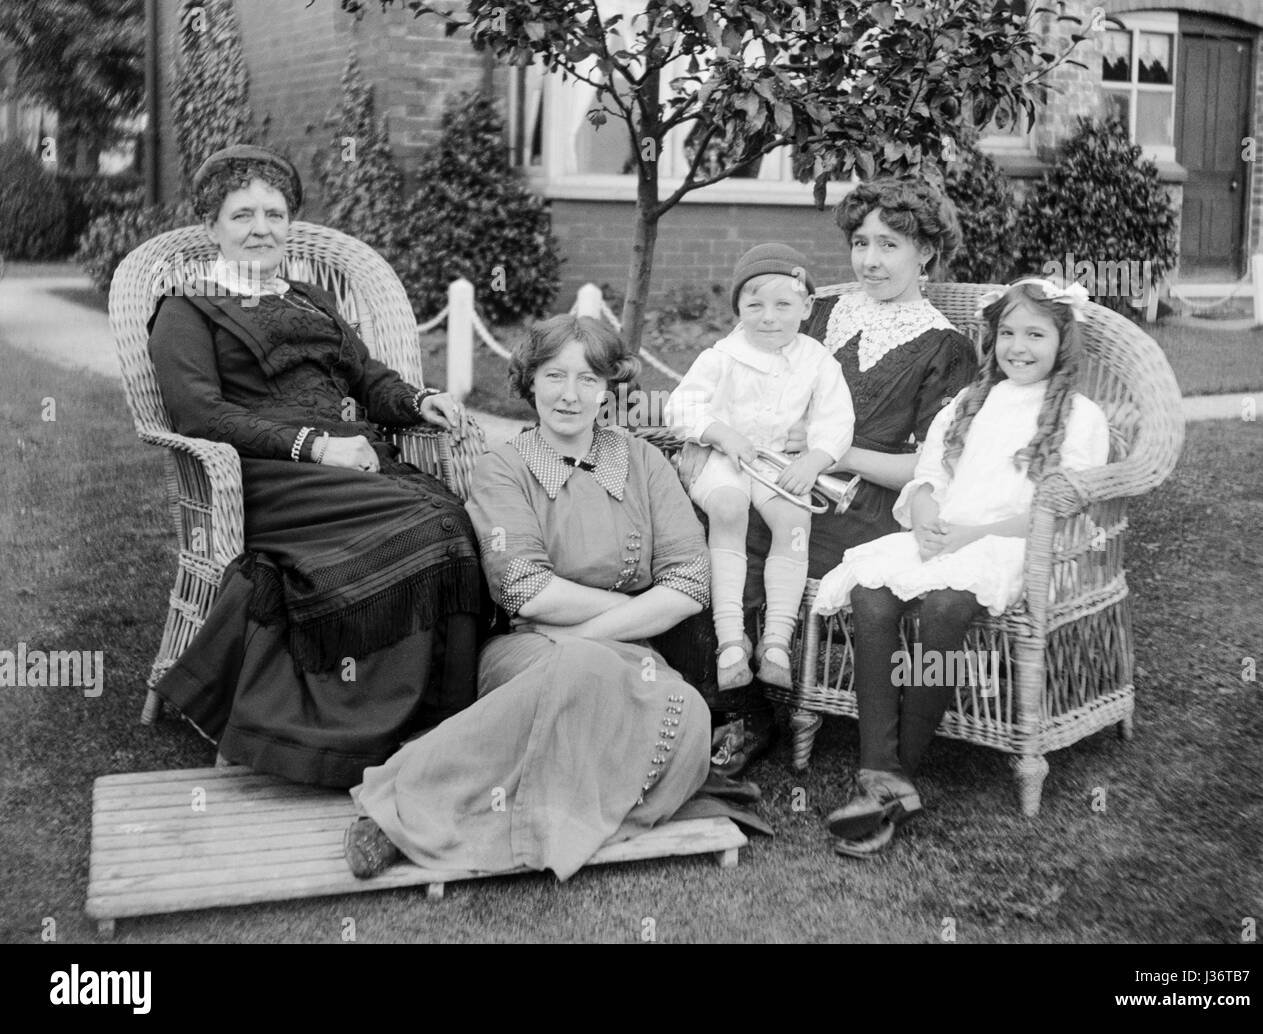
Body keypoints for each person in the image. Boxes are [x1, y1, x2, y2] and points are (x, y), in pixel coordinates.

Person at [147, 144, 485, 788]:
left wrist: (419, 401)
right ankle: (357, 730)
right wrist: (314, 446)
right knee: (423, 522)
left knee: (447, 515)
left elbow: (369, 376)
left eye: (273, 213)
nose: (260, 227)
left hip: (353, 458)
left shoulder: (309, 299)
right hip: (269, 470)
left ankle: (438, 714)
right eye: (241, 214)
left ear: (290, 224)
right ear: (210, 227)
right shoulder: (186, 309)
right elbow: (200, 418)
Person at [343, 315, 715, 882]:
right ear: (530, 381)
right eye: (554, 376)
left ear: (609, 388)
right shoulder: (504, 468)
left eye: (589, 379)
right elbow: (526, 590)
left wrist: (588, 632)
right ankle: (397, 804)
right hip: (527, 648)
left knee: (687, 715)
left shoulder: (644, 462)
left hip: (630, 654)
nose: (570, 395)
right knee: (578, 669)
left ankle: (544, 808)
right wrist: (633, 612)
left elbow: (689, 582)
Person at [812, 277, 1112, 855]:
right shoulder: (969, 403)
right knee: (871, 594)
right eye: (1007, 333)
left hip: (1016, 543)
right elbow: (930, 476)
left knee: (946, 609)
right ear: (991, 338)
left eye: (1035, 335)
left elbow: (1057, 509)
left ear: (1062, 342)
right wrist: (925, 515)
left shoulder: (1079, 416)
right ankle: (883, 772)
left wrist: (971, 534)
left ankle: (899, 770)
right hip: (949, 533)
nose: (1018, 347)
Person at [704, 178, 980, 775]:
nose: (870, 261)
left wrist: (839, 452)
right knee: (697, 519)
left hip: (863, 501)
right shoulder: (819, 309)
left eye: (889, 245)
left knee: (767, 537)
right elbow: (734, 368)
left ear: (924, 251)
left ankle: (750, 714)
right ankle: (725, 694)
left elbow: (929, 467)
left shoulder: (946, 348)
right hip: (770, 470)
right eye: (860, 243)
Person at [665, 243, 853, 692]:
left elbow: (837, 418)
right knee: (728, 507)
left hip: (780, 465)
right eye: (755, 305)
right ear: (739, 309)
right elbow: (680, 407)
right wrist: (719, 432)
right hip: (726, 460)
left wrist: (815, 459)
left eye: (783, 305)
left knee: (793, 518)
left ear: (806, 307)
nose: (769, 317)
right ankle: (730, 640)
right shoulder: (721, 356)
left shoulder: (818, 361)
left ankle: (776, 642)